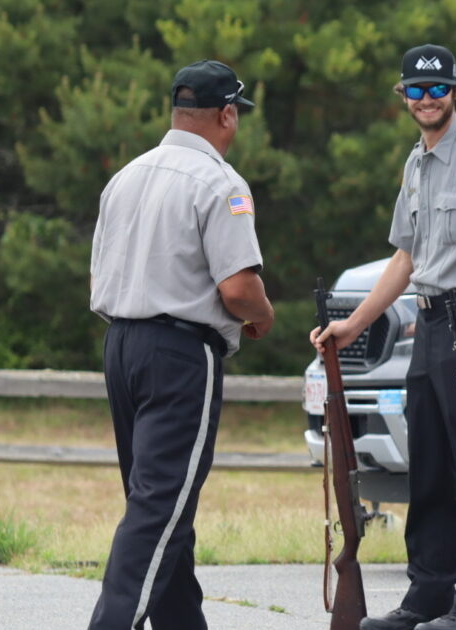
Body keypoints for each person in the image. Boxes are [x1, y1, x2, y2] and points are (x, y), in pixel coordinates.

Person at [310, 44, 456, 630]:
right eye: (416, 91)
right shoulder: (415, 161)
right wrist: (353, 325)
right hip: (429, 323)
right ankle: (429, 593)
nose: (428, 100)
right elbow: (406, 256)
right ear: (403, 96)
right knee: (428, 465)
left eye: (438, 89)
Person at [87, 59, 274, 630]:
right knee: (158, 511)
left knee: (164, 508)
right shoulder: (220, 182)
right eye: (235, 115)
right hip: (180, 354)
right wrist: (264, 316)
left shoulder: (127, 175)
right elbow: (238, 288)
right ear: (224, 115)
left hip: (121, 345)